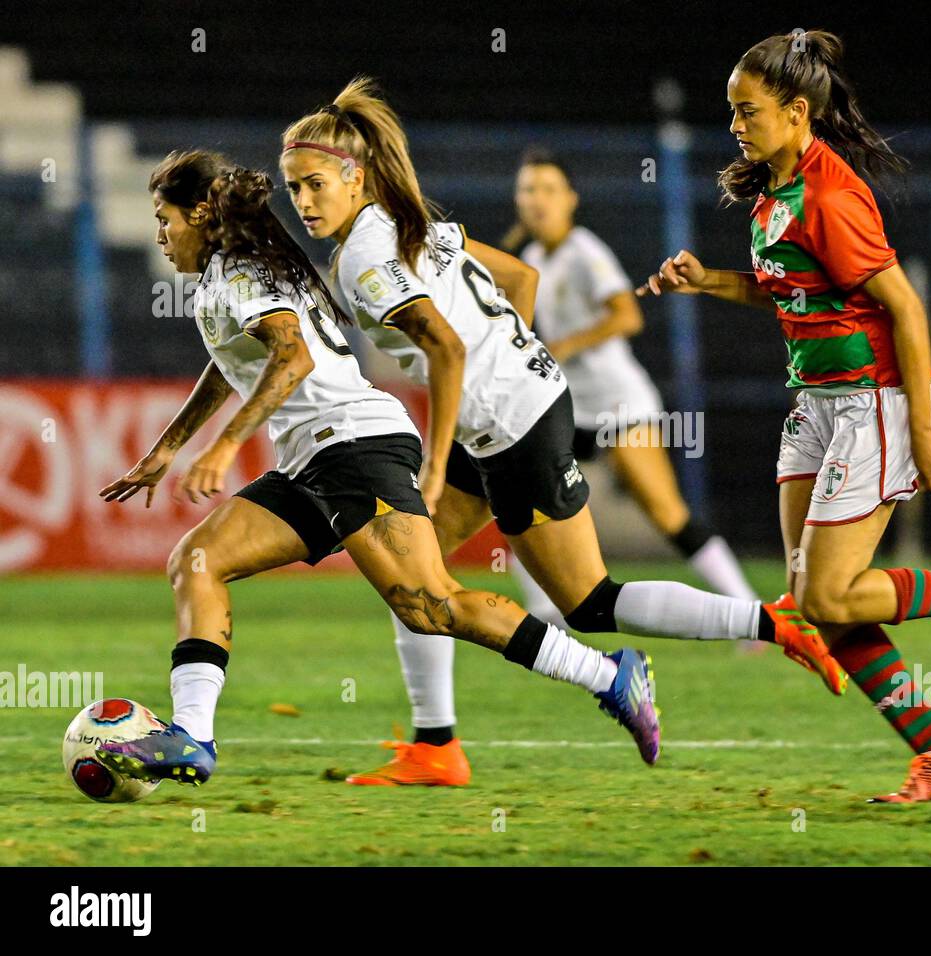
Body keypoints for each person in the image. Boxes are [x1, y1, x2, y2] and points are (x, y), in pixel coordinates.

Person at [279, 80, 847, 787]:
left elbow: (449, 350)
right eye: (293, 188)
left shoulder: (366, 255)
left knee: (589, 602)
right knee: (412, 578)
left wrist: (445, 445)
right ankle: (436, 747)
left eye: (313, 184)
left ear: (354, 176)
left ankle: (771, 624)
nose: (303, 202)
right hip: (512, 408)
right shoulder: (407, 220)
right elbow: (517, 276)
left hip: (512, 424)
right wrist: (513, 356)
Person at [97, 149, 662, 784]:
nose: (159, 234)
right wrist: (167, 448)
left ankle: (610, 675)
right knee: (197, 560)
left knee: (431, 605)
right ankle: (192, 739)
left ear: (200, 212)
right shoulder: (235, 271)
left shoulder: (240, 274)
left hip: (355, 448)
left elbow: (291, 358)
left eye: (163, 218)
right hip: (315, 457)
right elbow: (236, 361)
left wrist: (225, 447)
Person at [640, 29, 931, 803]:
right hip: (813, 405)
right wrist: (708, 280)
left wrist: (922, 429)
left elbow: (906, 310)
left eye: (748, 112)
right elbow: (786, 289)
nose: (736, 126)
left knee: (829, 598)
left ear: (798, 109)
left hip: (872, 404)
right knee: (819, 605)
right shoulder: (775, 190)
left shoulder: (833, 195)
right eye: (731, 112)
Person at [509, 148, 757, 625]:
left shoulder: (584, 251)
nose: (536, 198)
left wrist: (559, 346)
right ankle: (543, 612)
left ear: (570, 199)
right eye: (527, 189)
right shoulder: (534, 256)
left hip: (618, 405)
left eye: (547, 189)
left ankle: (750, 614)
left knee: (667, 514)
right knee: (514, 489)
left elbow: (627, 315)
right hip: (570, 407)